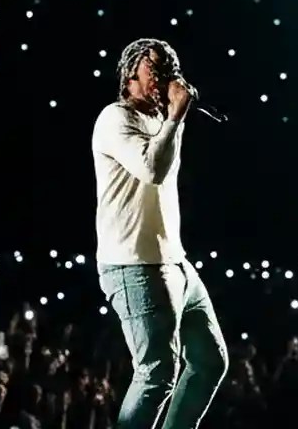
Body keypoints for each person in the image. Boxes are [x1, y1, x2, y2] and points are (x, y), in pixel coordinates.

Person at [90, 38, 229, 428]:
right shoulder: (114, 119)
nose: (165, 74)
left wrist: (174, 117)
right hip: (135, 265)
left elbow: (164, 165)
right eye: (156, 66)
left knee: (209, 361)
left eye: (171, 66)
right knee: (156, 374)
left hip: (175, 261)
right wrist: (175, 117)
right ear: (131, 70)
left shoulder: (164, 118)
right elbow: (151, 170)